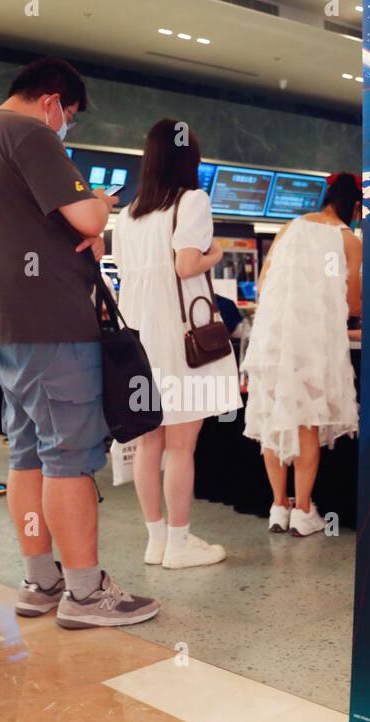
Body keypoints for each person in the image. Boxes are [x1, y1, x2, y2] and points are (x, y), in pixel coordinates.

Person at [0, 57, 159, 627]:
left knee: (29, 455)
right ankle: (85, 593)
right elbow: (88, 214)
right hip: (50, 326)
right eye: (69, 115)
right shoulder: (29, 132)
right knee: (69, 459)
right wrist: (98, 212)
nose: (65, 126)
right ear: (53, 101)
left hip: (9, 325)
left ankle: (41, 579)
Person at [112, 119, 240, 569]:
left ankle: (157, 540)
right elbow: (187, 265)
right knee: (181, 446)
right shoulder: (193, 201)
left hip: (140, 343)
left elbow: (125, 275)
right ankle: (181, 544)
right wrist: (216, 256)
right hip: (179, 342)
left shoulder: (127, 215)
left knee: (150, 444)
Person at [243, 172, 362, 537]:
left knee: (275, 418)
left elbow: (263, 283)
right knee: (307, 420)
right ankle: (304, 510)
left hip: (273, 340)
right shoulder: (346, 239)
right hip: (314, 342)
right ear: (355, 206)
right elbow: (351, 300)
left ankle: (279, 506)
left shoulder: (289, 229)